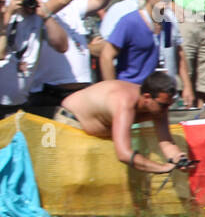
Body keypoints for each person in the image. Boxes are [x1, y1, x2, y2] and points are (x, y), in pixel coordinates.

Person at [55, 72, 195, 175]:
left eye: (169, 105)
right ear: (147, 97)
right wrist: (161, 168)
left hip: (94, 132)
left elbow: (166, 142)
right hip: (71, 122)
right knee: (75, 178)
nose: (167, 110)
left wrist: (179, 159)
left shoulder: (157, 106)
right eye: (164, 105)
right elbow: (124, 154)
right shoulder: (124, 102)